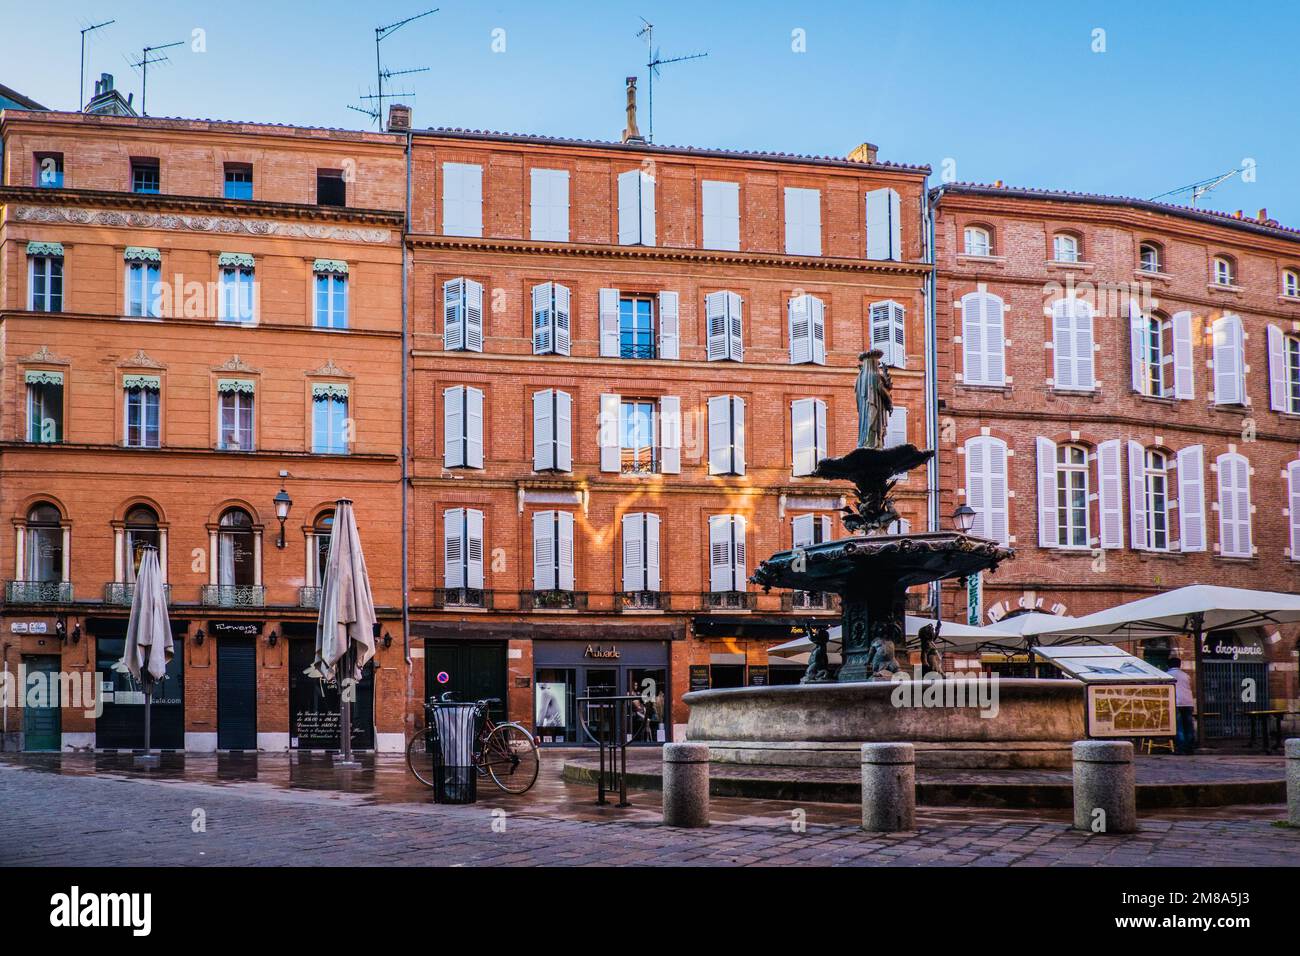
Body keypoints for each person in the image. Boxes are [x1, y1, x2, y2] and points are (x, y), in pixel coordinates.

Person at [1167, 656, 1195, 755]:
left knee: (1179, 726)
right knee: (1188, 726)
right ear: (1179, 664)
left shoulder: (1168, 675)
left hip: (1176, 702)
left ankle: (1181, 747)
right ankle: (1190, 747)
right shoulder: (1186, 675)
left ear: (1169, 665)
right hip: (1188, 702)